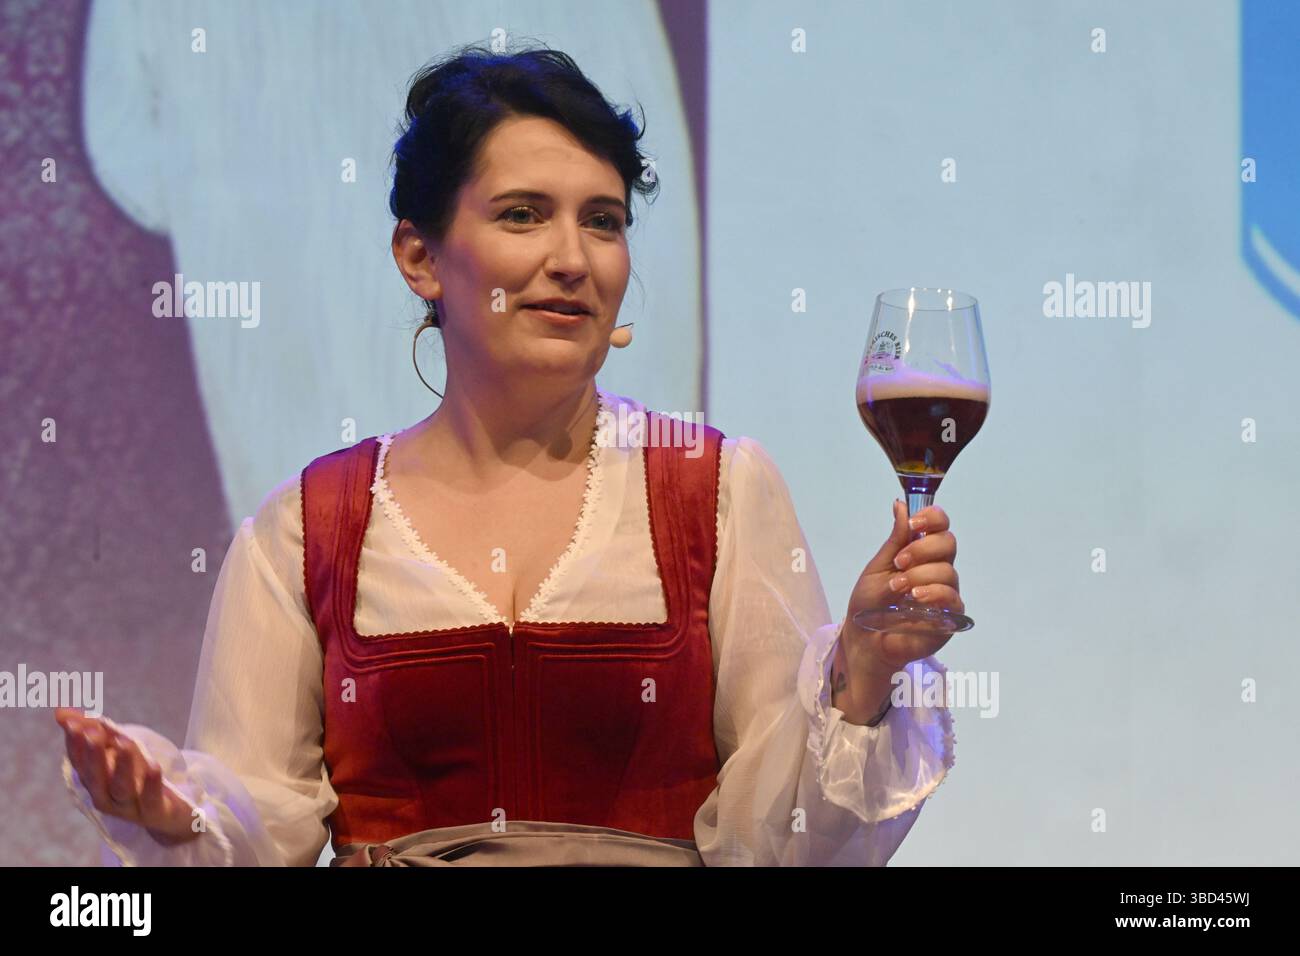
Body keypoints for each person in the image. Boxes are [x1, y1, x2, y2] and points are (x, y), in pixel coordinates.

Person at [55, 43, 963, 867]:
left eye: (603, 222)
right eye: (524, 215)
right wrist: (173, 818)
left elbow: (781, 844)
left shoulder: (718, 490)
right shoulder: (306, 531)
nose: (574, 258)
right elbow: (257, 825)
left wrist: (867, 673)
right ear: (420, 255)